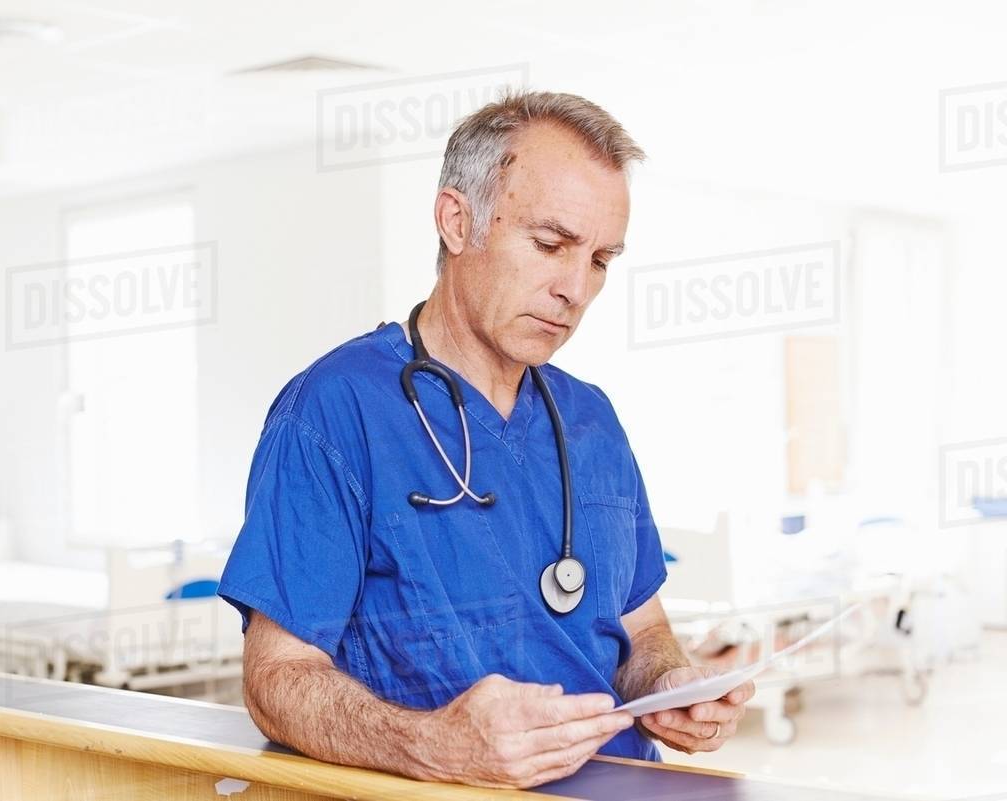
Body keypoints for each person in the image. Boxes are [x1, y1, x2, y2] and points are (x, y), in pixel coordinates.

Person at [217, 90, 755, 790]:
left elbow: (641, 627)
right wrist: (429, 743)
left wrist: (672, 682)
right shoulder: (335, 411)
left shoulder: (591, 421)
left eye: (600, 260)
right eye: (550, 244)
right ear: (456, 220)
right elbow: (277, 679)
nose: (575, 288)